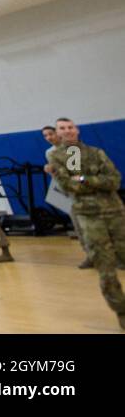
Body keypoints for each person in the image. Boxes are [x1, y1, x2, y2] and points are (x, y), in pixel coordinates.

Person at [46, 117, 125, 329]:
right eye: (62, 128)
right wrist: (91, 180)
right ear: (58, 133)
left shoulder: (96, 152)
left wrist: (83, 179)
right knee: (105, 267)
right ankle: (121, 311)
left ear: (77, 130)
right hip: (89, 217)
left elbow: (115, 180)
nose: (67, 131)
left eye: (70, 127)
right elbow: (70, 186)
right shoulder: (57, 157)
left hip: (115, 211)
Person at [44, 123, 93, 268]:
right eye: (45, 136)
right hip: (69, 194)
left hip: (84, 193)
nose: (48, 138)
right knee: (79, 227)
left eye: (50, 134)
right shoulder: (49, 152)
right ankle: (90, 256)